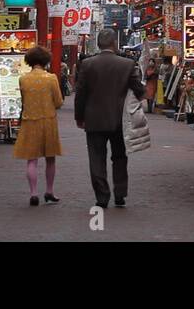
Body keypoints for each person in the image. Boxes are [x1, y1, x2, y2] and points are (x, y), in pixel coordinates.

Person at [74, 28, 145, 208]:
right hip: (120, 119)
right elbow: (139, 89)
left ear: (98, 44)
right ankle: (120, 194)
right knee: (120, 157)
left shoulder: (88, 64)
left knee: (96, 158)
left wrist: (79, 116)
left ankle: (102, 196)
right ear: (114, 43)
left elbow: (80, 93)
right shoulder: (127, 64)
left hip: (94, 118)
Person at [13, 46, 64, 207]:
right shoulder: (51, 78)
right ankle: (49, 191)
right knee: (50, 159)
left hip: (29, 121)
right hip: (48, 121)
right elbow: (58, 102)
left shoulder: (23, 79)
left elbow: (23, 100)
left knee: (32, 160)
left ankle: (33, 193)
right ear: (45, 61)